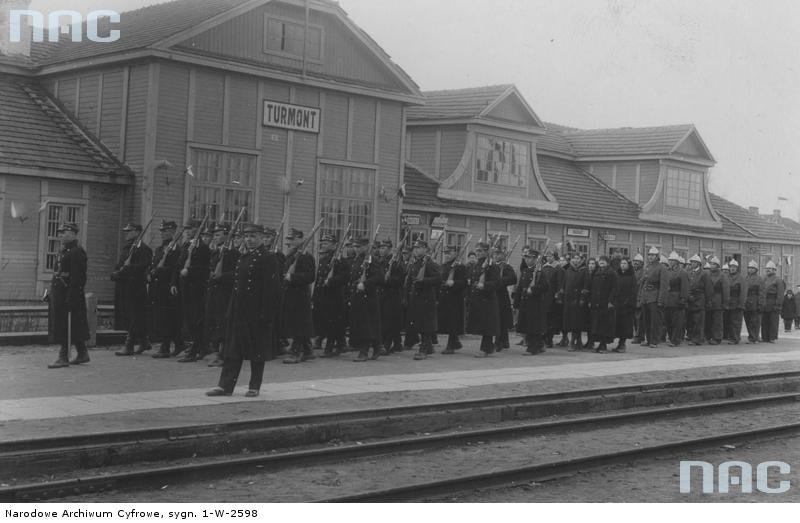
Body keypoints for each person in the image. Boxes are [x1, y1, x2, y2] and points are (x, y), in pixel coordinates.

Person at [206, 224, 280, 397]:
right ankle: (225, 386)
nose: (249, 240)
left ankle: (254, 386)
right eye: (246, 237)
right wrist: (231, 310)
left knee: (257, 351)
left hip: (256, 312)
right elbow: (237, 286)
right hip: (239, 312)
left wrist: (266, 314)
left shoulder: (268, 258)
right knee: (233, 349)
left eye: (253, 236)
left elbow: (272, 289)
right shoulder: (244, 257)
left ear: (261, 237)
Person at [47, 222, 91, 368]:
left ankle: (63, 356)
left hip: (69, 295)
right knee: (71, 324)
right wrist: (51, 291)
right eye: (60, 233)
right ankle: (82, 353)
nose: (61, 235)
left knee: (66, 325)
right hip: (60, 293)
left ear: (73, 234)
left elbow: (78, 278)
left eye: (64, 232)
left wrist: (72, 297)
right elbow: (58, 273)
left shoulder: (77, 252)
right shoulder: (64, 250)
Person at [171, 220, 211, 360]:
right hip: (184, 286)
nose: (187, 231)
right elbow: (178, 265)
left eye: (190, 228)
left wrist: (190, 271)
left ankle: (195, 349)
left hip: (196, 287)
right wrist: (174, 283)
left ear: (197, 230)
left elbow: (205, 269)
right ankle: (198, 347)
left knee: (195, 318)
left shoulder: (203, 248)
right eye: (186, 229)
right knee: (187, 318)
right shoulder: (186, 245)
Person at [112, 223, 153, 356]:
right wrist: (115, 273)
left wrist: (125, 270)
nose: (126, 233)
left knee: (134, 316)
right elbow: (120, 264)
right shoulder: (128, 247)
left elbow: (143, 267)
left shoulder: (144, 249)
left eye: (129, 231)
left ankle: (129, 345)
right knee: (130, 315)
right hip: (124, 286)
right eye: (126, 231)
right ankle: (144, 341)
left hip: (136, 288)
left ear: (137, 232)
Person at [203, 224, 239, 366]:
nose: (215, 237)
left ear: (226, 235)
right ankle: (216, 351)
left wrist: (221, 276)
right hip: (214, 292)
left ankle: (224, 354)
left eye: (218, 235)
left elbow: (237, 274)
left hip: (225, 293)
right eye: (214, 235)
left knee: (224, 323)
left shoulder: (233, 253)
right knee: (214, 321)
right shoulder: (216, 252)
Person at [150, 220, 185, 358]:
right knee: (164, 317)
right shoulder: (160, 249)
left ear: (173, 232)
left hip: (169, 287)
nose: (162, 233)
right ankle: (179, 344)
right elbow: (155, 264)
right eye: (162, 231)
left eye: (165, 231)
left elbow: (176, 268)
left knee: (168, 318)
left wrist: (161, 271)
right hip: (158, 287)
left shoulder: (176, 250)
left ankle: (165, 347)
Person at [282, 228, 316, 364]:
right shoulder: (292, 255)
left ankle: (296, 353)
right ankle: (308, 350)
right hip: (291, 293)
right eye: (289, 239)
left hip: (300, 295)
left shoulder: (305, 256)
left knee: (299, 324)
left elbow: (310, 276)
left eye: (293, 239)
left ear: (301, 239)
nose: (290, 242)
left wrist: (293, 277)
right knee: (299, 323)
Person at [348, 237, 384, 361]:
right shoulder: (357, 259)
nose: (355, 249)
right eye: (354, 246)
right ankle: (377, 347)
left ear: (365, 247)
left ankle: (364, 352)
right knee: (362, 324)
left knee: (366, 325)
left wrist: (365, 284)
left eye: (358, 247)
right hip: (358, 295)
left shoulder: (370, 259)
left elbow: (379, 277)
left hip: (368, 297)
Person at [313, 233, 349, 357]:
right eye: (323, 243)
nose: (324, 245)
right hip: (323, 295)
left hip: (335, 296)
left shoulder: (340, 261)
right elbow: (319, 278)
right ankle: (341, 345)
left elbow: (344, 277)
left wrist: (331, 281)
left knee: (333, 322)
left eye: (327, 243)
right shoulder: (324, 259)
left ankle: (329, 348)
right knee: (327, 322)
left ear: (334, 245)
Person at [405, 240, 441, 360]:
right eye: (414, 248)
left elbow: (438, 279)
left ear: (425, 249)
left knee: (425, 325)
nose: (415, 250)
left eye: (419, 248)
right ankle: (428, 347)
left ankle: (424, 349)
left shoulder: (429, 263)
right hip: (416, 297)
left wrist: (424, 281)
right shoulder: (415, 263)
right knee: (420, 324)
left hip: (426, 298)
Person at [467, 242, 501, 357]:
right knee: (484, 325)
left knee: (487, 326)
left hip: (488, 299)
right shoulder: (478, 264)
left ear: (487, 252)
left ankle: (486, 349)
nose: (478, 253)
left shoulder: (492, 265)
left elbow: (497, 283)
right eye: (477, 251)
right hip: (479, 298)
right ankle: (488, 348)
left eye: (480, 251)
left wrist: (485, 285)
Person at [516, 250, 549, 355]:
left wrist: (534, 290)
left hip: (535, 303)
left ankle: (533, 348)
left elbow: (545, 286)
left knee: (533, 326)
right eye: (526, 258)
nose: (527, 260)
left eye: (530, 258)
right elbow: (520, 287)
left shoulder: (539, 272)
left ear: (535, 259)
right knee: (527, 325)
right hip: (525, 301)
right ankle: (539, 345)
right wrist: (516, 301)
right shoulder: (526, 270)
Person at [439, 245, 468, 354]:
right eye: (445, 253)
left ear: (455, 253)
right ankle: (455, 342)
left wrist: (454, 283)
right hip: (444, 297)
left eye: (449, 253)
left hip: (455, 298)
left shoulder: (460, 267)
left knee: (453, 322)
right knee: (448, 322)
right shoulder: (443, 266)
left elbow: (464, 283)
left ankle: (451, 345)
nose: (446, 255)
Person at [379, 239, 406, 354]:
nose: (381, 250)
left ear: (390, 249)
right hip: (382, 294)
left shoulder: (395, 262)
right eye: (380, 248)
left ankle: (387, 344)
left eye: (384, 248)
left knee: (389, 321)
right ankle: (397, 344)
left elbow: (400, 279)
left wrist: (388, 280)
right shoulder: (381, 261)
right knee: (386, 320)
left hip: (392, 295)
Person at [587, 255, 617, 352]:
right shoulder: (597, 273)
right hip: (596, 303)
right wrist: (591, 300)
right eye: (600, 261)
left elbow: (614, 288)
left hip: (606, 303)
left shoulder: (612, 273)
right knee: (597, 325)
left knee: (605, 325)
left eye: (603, 261)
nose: (601, 262)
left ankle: (603, 345)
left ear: (607, 262)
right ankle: (600, 344)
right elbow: (592, 288)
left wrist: (611, 301)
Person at [639, 247, 668, 348]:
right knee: (646, 320)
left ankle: (655, 340)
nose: (650, 257)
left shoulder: (661, 268)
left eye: (653, 255)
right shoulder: (647, 267)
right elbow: (643, 282)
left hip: (655, 296)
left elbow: (664, 285)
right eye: (649, 255)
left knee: (655, 321)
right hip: (646, 296)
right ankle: (648, 339)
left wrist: (661, 300)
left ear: (657, 257)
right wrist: (641, 297)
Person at [493, 246, 518, 351]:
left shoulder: (507, 267)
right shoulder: (492, 266)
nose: (496, 256)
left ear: (503, 255)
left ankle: (500, 342)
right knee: (495, 319)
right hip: (493, 294)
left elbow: (513, 279)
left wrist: (500, 281)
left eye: (499, 254)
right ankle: (503, 341)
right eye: (495, 254)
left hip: (501, 296)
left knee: (501, 320)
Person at [561, 253, 586, 351]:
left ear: (581, 260)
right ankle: (577, 341)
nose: (576, 260)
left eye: (578, 258)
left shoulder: (584, 271)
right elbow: (564, 284)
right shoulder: (568, 270)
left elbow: (586, 286)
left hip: (578, 300)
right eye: (574, 258)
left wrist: (582, 298)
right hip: (568, 300)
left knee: (576, 322)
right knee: (569, 322)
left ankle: (573, 341)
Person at [663, 251, 689, 347]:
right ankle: (671, 338)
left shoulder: (682, 272)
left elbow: (685, 287)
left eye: (672, 260)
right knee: (668, 321)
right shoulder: (666, 271)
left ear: (676, 262)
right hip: (668, 299)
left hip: (677, 299)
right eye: (669, 260)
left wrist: (683, 299)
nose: (670, 262)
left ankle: (676, 340)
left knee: (677, 322)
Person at [704, 257, 730, 345]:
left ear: (718, 266)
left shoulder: (722, 276)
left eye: (714, 264)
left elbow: (726, 290)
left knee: (717, 321)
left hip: (718, 300)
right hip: (708, 300)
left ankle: (717, 337)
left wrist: (725, 303)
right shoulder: (707, 274)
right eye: (711, 264)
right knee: (708, 320)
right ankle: (708, 336)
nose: (712, 266)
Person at [613, 258, 637, 352]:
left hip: (627, 305)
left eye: (625, 263)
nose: (622, 265)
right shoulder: (617, 275)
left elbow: (633, 291)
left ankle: (622, 344)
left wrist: (629, 303)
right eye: (621, 263)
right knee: (618, 324)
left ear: (628, 265)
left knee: (625, 325)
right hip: (617, 304)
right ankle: (619, 343)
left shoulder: (632, 277)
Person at [761, 260, 785, 342]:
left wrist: (778, 304)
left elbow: (780, 294)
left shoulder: (778, 280)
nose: (768, 270)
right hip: (765, 302)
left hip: (773, 302)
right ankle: (764, 337)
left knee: (773, 321)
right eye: (767, 268)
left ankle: (772, 337)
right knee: (764, 321)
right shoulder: (764, 279)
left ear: (774, 270)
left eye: (770, 268)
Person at [725, 259, 747, 344]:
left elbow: (743, 292)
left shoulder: (741, 278)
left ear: (737, 268)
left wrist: (741, 304)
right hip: (729, 302)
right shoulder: (726, 277)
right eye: (731, 267)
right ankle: (731, 337)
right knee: (729, 321)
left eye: (734, 267)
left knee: (736, 322)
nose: (732, 268)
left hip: (737, 302)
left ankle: (735, 338)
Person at [743, 260, 765, 343]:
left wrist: (760, 304)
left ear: (756, 269)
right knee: (748, 320)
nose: (750, 269)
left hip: (755, 301)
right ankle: (752, 336)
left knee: (754, 321)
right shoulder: (746, 278)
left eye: (752, 268)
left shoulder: (759, 279)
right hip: (746, 301)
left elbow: (761, 293)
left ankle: (754, 337)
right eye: (749, 268)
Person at [631, 253, 645, 343]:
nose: (635, 263)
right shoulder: (633, 272)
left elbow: (640, 285)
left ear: (642, 263)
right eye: (635, 261)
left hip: (639, 297)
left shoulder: (643, 272)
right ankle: (637, 334)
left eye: (638, 261)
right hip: (634, 297)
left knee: (639, 318)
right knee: (635, 318)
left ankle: (639, 336)